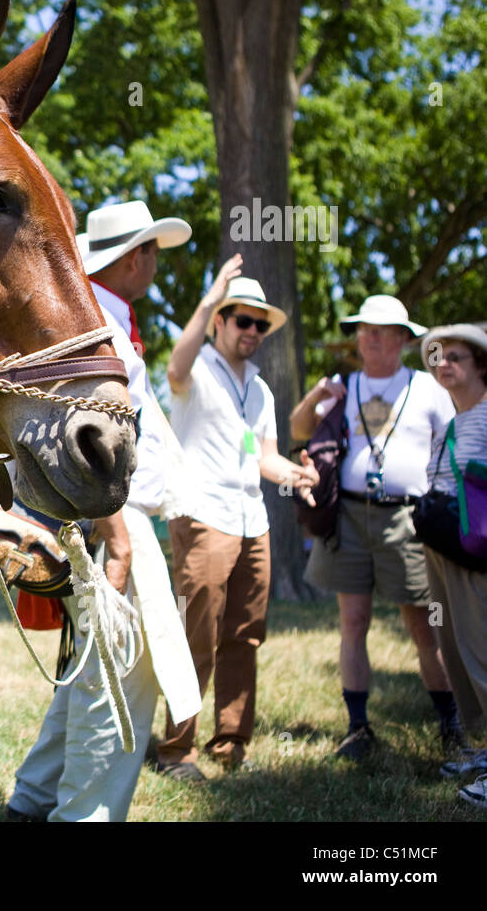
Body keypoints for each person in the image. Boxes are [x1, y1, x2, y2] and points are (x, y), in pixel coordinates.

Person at [5, 200, 201, 821]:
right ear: (137, 255)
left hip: (111, 522)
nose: (155, 265)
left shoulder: (102, 319)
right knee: (116, 685)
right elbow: (89, 442)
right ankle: (81, 815)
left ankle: (33, 799)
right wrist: (119, 539)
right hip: (116, 522)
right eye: (153, 253)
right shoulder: (102, 327)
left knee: (92, 667)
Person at [158, 256, 318, 780]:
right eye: (242, 319)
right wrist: (211, 294)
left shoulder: (262, 388)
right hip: (203, 515)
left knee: (245, 635)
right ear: (220, 321)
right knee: (197, 633)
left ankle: (230, 743)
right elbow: (173, 370)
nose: (253, 331)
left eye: (261, 324)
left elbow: (264, 456)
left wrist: (295, 475)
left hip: (253, 521)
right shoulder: (197, 366)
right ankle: (177, 750)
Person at [291, 295, 460, 759]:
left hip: (409, 519)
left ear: (404, 339)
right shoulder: (344, 385)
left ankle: (452, 724)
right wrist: (316, 396)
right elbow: (299, 429)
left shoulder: (428, 388)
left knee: (426, 626)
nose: (369, 338)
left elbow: (456, 445)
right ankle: (358, 727)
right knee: (353, 621)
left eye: (382, 330)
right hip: (348, 516)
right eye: (363, 329)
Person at [417, 324, 487, 807]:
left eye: (456, 356)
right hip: (441, 550)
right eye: (438, 356)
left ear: (481, 364)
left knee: (481, 650)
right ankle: (481, 749)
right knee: (454, 647)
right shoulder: (450, 424)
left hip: (476, 554)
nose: (444, 363)